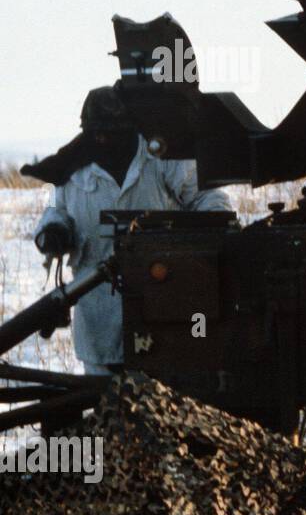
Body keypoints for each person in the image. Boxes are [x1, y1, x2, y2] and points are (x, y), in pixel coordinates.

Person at [23, 87, 232, 375]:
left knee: (164, 399)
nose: (102, 140)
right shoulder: (72, 171)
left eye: (110, 133)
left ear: (129, 128)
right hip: (100, 317)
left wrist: (214, 226)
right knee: (104, 405)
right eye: (95, 133)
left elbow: (205, 196)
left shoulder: (162, 159)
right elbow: (56, 212)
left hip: (165, 305)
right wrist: (53, 232)